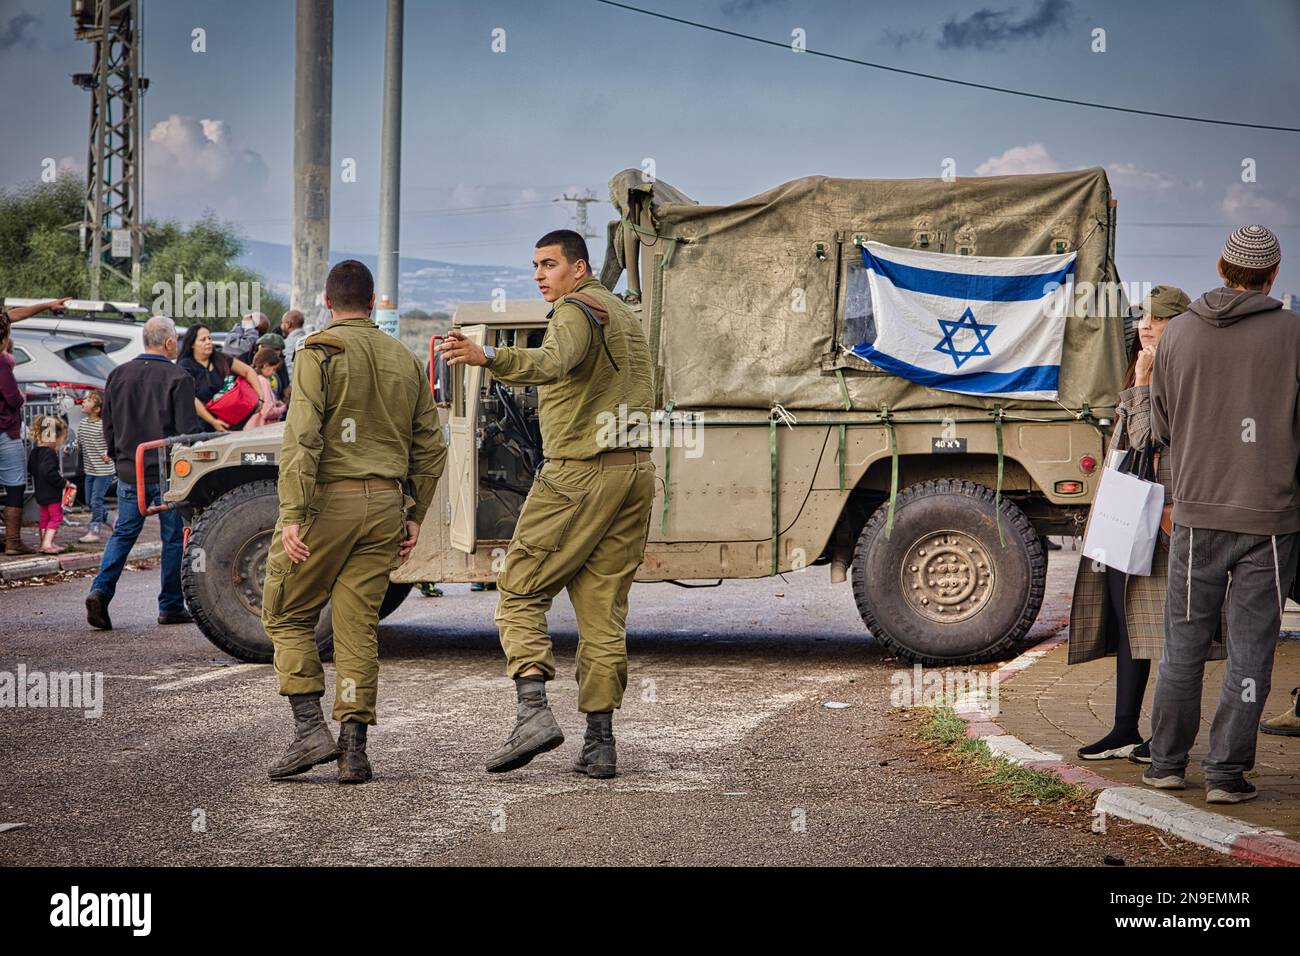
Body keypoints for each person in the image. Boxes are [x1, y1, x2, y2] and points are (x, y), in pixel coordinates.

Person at [440, 229, 655, 779]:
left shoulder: (574, 311)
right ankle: (600, 744)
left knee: (518, 591)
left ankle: (533, 712)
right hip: (633, 471)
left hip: (578, 473)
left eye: (550, 264)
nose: (540, 275)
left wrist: (486, 354)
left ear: (579, 268)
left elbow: (551, 363)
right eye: (535, 265)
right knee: (602, 609)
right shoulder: (622, 314)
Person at [262, 260, 445, 785]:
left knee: (289, 614)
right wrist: (413, 512)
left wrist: (294, 514)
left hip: (326, 505)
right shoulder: (404, 358)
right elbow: (430, 446)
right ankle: (353, 751)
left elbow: (303, 438)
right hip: (385, 507)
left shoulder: (317, 352)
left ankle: (308, 731)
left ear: (327, 299)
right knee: (357, 628)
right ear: (371, 303)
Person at [1147, 225, 1300, 805]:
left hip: (1194, 518)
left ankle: (1165, 765)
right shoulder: (1293, 334)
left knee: (1183, 646)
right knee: (1251, 651)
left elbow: (1160, 426)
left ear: (1220, 266)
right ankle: (1226, 776)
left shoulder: (1179, 334)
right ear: (1273, 276)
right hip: (1271, 521)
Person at [1067, 286, 1228, 762]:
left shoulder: (1181, 373)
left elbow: (1149, 435)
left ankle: (1165, 739)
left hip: (1166, 516)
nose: (1144, 326)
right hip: (1131, 514)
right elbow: (1126, 443)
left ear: (1179, 325)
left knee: (1167, 631)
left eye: (1156, 320)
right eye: (1142, 318)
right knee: (1126, 620)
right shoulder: (1151, 367)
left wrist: (1140, 383)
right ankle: (1123, 729)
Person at [86, 317, 201, 631]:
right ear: (166, 343)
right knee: (173, 539)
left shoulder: (117, 375)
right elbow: (187, 433)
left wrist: (117, 454)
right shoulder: (179, 376)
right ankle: (170, 605)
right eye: (175, 339)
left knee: (123, 533)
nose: (177, 344)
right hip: (166, 474)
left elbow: (108, 424)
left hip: (129, 471)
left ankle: (100, 590)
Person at [177, 323, 265, 432]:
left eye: (209, 338)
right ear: (192, 344)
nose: (208, 342)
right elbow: (191, 398)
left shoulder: (220, 358)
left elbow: (248, 371)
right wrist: (213, 421)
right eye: (202, 340)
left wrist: (261, 397)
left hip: (229, 421)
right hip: (201, 426)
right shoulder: (185, 365)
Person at [0, 311, 36, 555]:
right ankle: (13, 540)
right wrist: (21, 398)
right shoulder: (2, 362)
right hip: (5, 429)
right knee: (15, 484)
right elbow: (12, 397)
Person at [77, 390, 116, 544]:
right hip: (90, 470)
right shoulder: (82, 424)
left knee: (96, 501)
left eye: (88, 399)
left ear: (97, 409)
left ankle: (94, 530)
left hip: (104, 471)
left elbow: (113, 442)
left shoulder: (104, 426)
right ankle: (113, 520)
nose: (83, 401)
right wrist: (70, 448)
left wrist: (109, 453)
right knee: (89, 501)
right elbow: (78, 443)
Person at [27, 414, 69, 555]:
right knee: (56, 517)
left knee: (45, 518)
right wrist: (63, 482)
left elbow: (31, 469)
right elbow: (49, 472)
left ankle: (44, 542)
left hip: (40, 491)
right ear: (54, 437)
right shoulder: (50, 453)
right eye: (60, 440)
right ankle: (47, 544)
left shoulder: (35, 451)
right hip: (51, 493)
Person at [247, 347, 287, 425]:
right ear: (265, 365)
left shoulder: (253, 378)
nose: (274, 373)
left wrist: (274, 403)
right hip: (262, 429)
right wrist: (283, 408)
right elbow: (267, 412)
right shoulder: (263, 381)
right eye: (274, 369)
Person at [280, 309, 306, 377]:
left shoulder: (286, 345)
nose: (281, 326)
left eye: (283, 323)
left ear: (288, 324)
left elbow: (289, 371)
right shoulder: (309, 340)